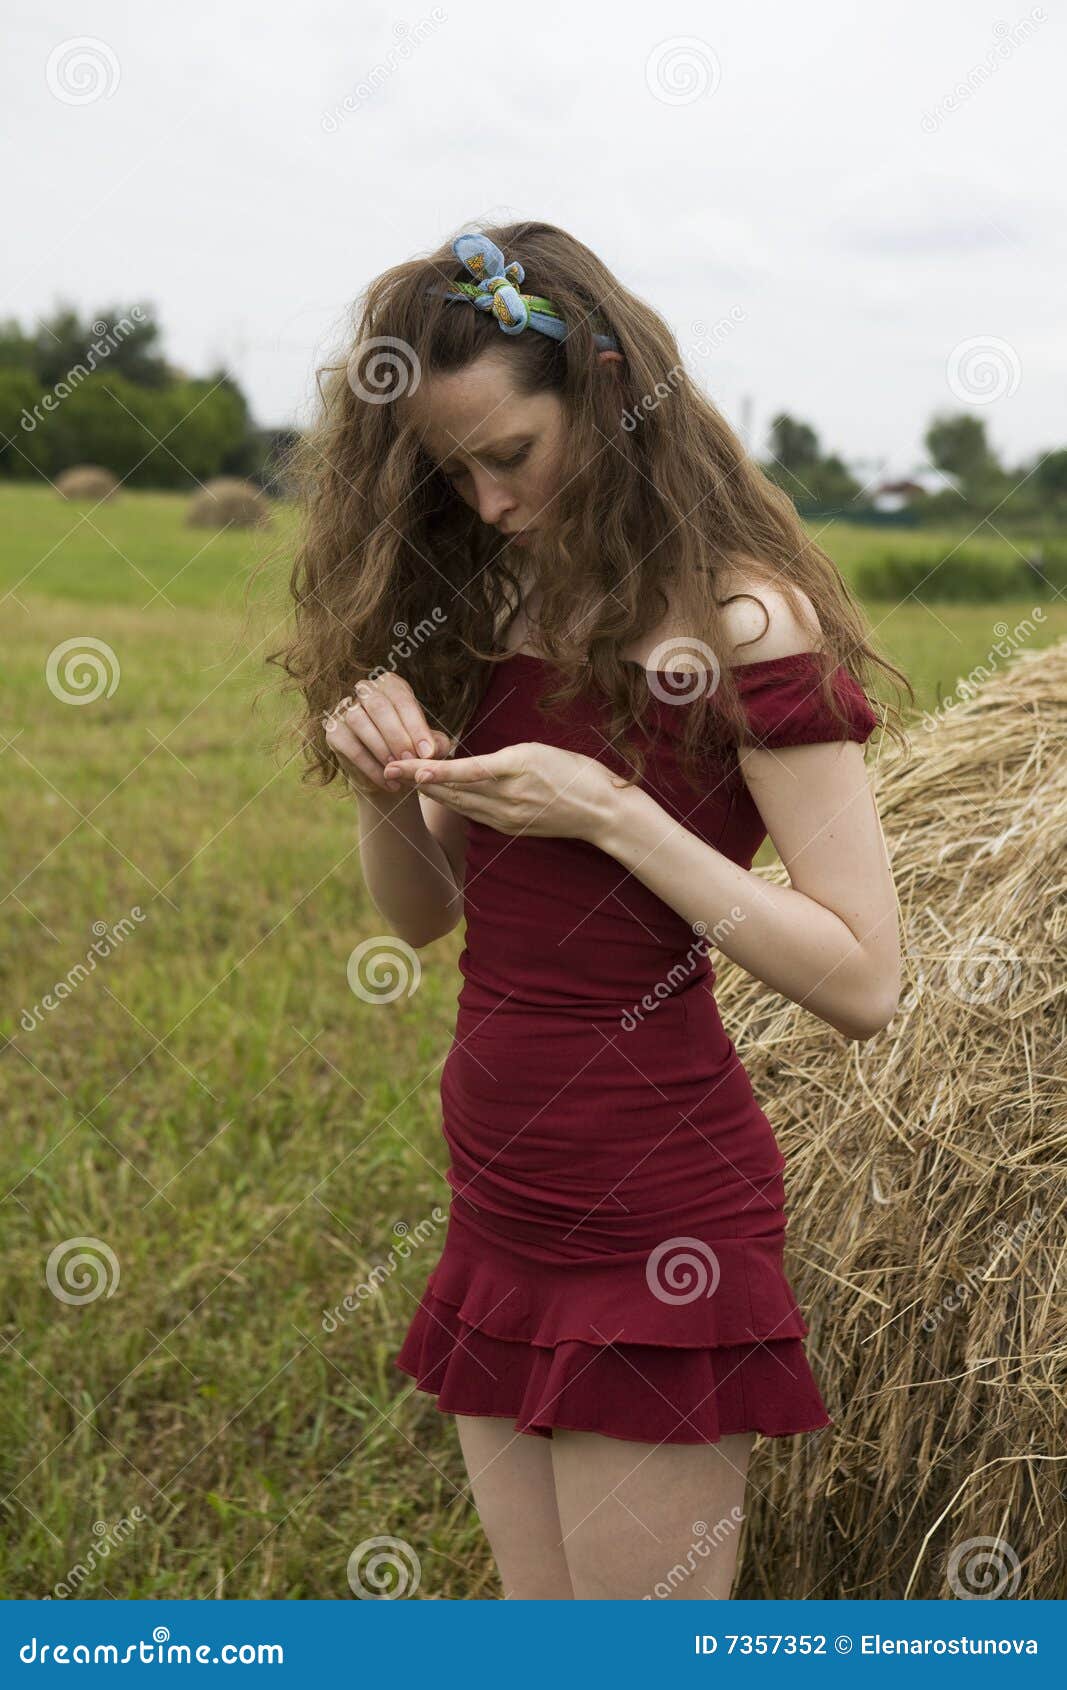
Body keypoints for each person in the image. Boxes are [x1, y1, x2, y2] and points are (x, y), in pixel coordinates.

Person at [277, 221, 908, 1601]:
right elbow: (422, 922)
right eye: (457, 473)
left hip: (658, 1218)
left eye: (512, 454)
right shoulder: (505, 601)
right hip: (501, 1199)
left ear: (610, 394)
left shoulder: (748, 625)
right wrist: (385, 781)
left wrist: (614, 813)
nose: (492, 504)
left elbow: (866, 977)